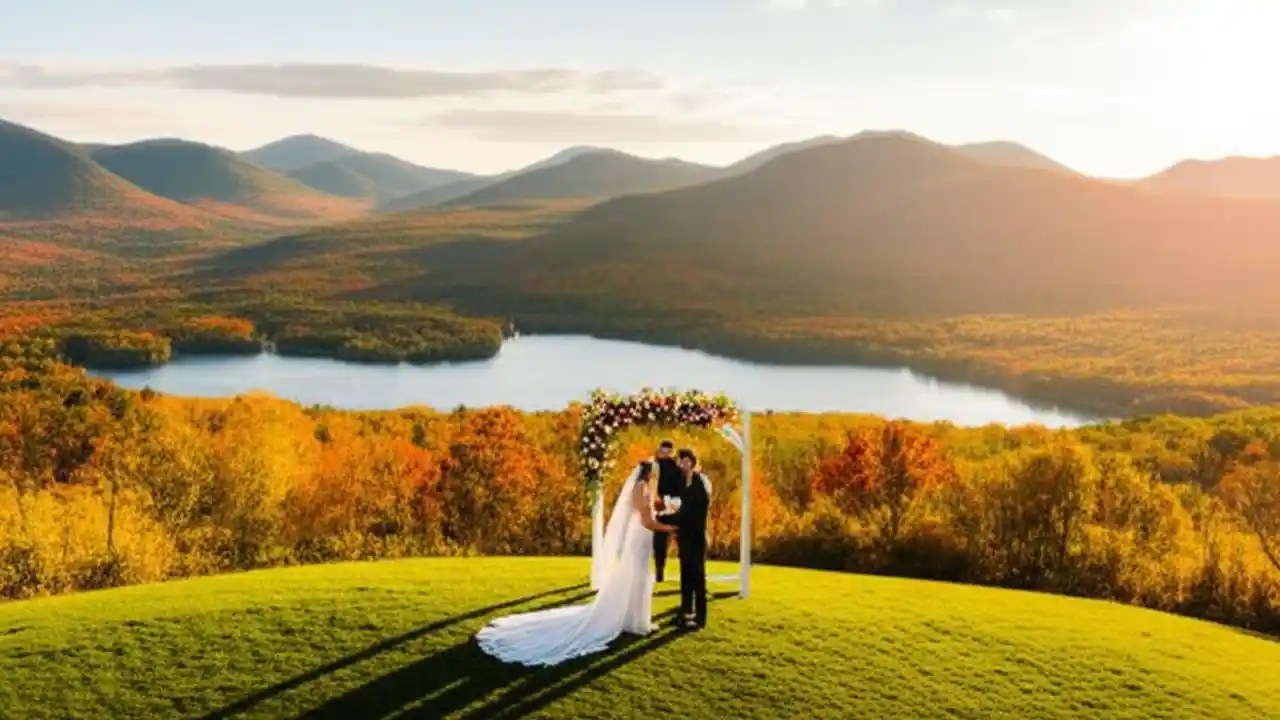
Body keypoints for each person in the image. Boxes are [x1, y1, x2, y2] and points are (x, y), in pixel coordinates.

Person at [475, 461, 675, 666]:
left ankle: (633, 619)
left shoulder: (642, 488)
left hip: (641, 538)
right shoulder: (641, 489)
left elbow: (648, 513)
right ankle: (636, 622)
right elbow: (646, 521)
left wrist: (662, 510)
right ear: (650, 473)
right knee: (637, 576)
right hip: (640, 537)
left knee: (638, 576)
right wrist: (670, 527)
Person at [664, 448, 711, 630]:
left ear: (691, 462)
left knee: (697, 577)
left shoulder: (699, 483)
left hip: (696, 536)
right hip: (684, 537)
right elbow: (680, 507)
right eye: (679, 461)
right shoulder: (683, 482)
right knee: (685, 576)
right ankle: (685, 613)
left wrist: (666, 518)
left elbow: (693, 512)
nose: (680, 464)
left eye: (683, 461)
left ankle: (700, 617)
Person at [652, 440, 683, 582]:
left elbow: (680, 488)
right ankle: (659, 569)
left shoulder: (675, 468)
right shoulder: (654, 465)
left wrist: (672, 503)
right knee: (660, 540)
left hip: (672, 505)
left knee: (675, 538)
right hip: (660, 505)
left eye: (667, 452)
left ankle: (662, 568)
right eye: (662, 451)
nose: (664, 454)